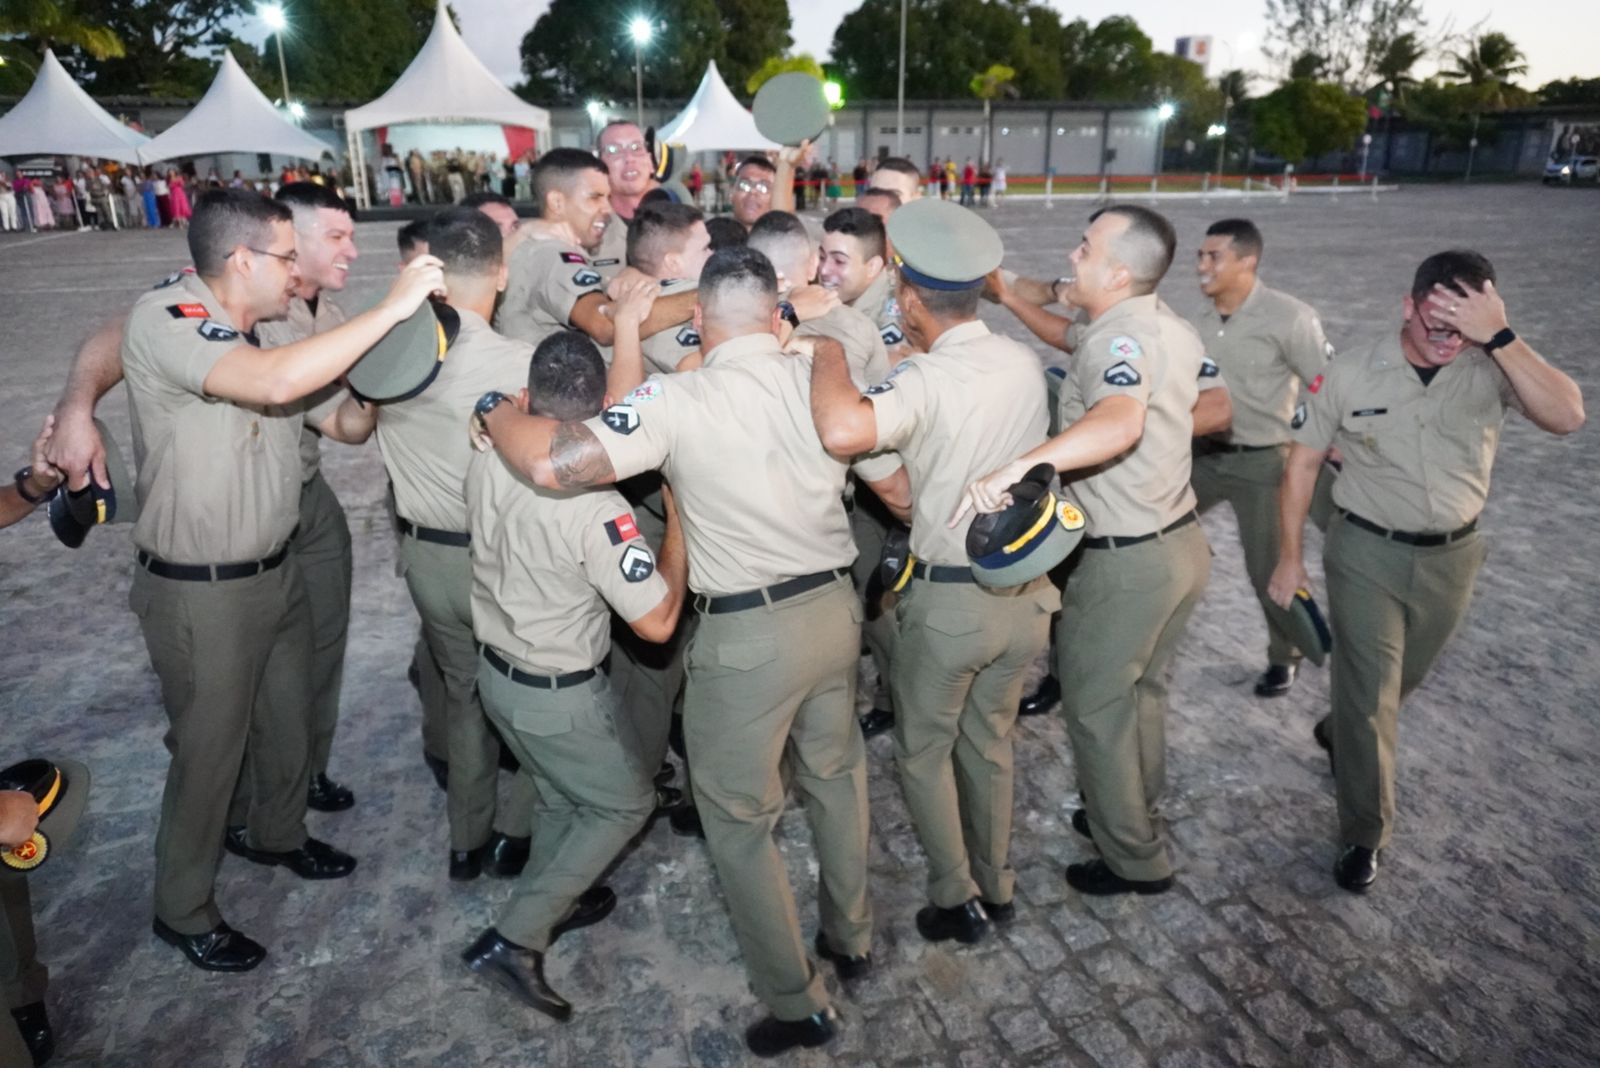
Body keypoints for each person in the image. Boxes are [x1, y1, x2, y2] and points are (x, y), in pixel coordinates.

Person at [474, 247, 875, 1058]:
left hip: (749, 634)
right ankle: (853, 936)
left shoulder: (676, 396)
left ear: (697, 322)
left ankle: (798, 1005)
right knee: (836, 775)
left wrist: (494, 409)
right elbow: (891, 482)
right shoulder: (821, 382)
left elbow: (556, 464)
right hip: (835, 610)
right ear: (775, 316)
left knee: (737, 819)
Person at [117, 189, 443, 970]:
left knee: (287, 714)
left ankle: (276, 833)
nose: (297, 271)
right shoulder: (172, 319)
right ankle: (183, 907)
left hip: (276, 564)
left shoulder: (258, 330)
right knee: (210, 752)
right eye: (286, 256)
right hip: (203, 588)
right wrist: (393, 309)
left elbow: (345, 423)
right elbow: (268, 384)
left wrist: (384, 374)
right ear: (240, 260)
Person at [1268, 251, 1583, 893]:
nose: (1449, 340)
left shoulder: (1492, 363)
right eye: (1437, 323)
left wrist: (1500, 336)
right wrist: (1290, 556)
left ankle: (1339, 729)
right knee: (1372, 696)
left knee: (1398, 683)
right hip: (1366, 553)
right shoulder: (1352, 370)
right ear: (1408, 307)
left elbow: (1567, 416)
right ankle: (1364, 832)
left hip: (1453, 557)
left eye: (1463, 325)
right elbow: (1301, 466)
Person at [807, 198, 1056, 943]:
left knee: (923, 751)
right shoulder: (1019, 360)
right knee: (990, 742)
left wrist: (823, 345)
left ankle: (955, 898)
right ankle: (999, 881)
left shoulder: (922, 378)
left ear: (909, 301)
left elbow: (844, 428)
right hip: (1024, 597)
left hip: (951, 605)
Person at [960, 205, 1224, 897]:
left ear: (1117, 270)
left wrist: (1024, 466)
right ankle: (1133, 806)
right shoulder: (1154, 324)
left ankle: (1134, 856)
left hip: (1126, 561)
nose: (1072, 257)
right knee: (1143, 695)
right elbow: (1076, 339)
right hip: (1180, 545)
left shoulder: (1120, 344)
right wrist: (1013, 293)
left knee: (1097, 707)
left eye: (1085, 248)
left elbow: (1119, 417)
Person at [459, 330, 688, 1020]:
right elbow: (657, 623)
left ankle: (554, 895)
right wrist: (679, 524)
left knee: (562, 797)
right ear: (598, 416)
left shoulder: (486, 451)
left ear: (528, 398)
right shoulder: (599, 511)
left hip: (497, 674)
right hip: (556, 692)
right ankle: (513, 939)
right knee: (625, 802)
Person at [353, 208, 544, 881]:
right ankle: (515, 835)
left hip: (428, 559)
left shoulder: (385, 356)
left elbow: (351, 424)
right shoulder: (522, 363)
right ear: (501, 273)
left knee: (462, 697)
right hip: (503, 558)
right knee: (528, 700)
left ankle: (465, 841)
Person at [251, 182, 364, 814]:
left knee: (323, 646)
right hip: (250, 509)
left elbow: (343, 423)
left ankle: (307, 773)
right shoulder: (250, 308)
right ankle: (261, 803)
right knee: (262, 668)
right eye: (337, 236)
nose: (352, 249)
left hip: (308, 495)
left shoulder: (332, 317)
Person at [1189, 218, 1334, 697]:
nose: (1202, 266)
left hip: (1262, 463)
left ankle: (1283, 654)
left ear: (1247, 262)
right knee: (1147, 526)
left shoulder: (1290, 316)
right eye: (1201, 256)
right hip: (1199, 455)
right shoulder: (1195, 316)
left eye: (1214, 257)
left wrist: (1318, 447)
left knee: (1267, 566)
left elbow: (1325, 385)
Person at [592, 121, 661, 277]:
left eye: (636, 148)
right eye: (614, 150)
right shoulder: (586, 229)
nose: (629, 158)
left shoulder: (680, 216)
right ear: (599, 165)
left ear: (650, 162)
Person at [729, 156, 777, 231]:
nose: (752, 193)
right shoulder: (710, 238)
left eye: (762, 188)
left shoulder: (782, 239)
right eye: (745, 185)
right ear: (731, 193)